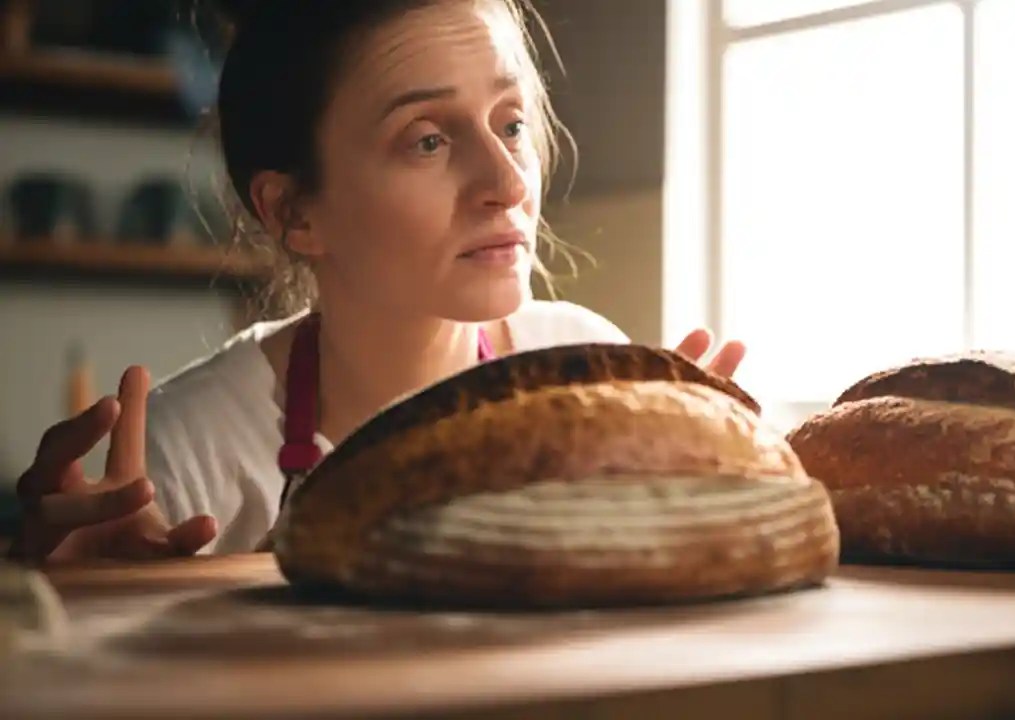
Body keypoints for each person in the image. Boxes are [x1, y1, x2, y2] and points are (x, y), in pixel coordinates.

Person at [7, 0, 745, 564]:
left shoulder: (585, 370)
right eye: (428, 140)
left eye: (512, 124)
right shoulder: (191, 453)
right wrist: (95, 610)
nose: (508, 183)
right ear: (294, 212)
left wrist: (701, 499)